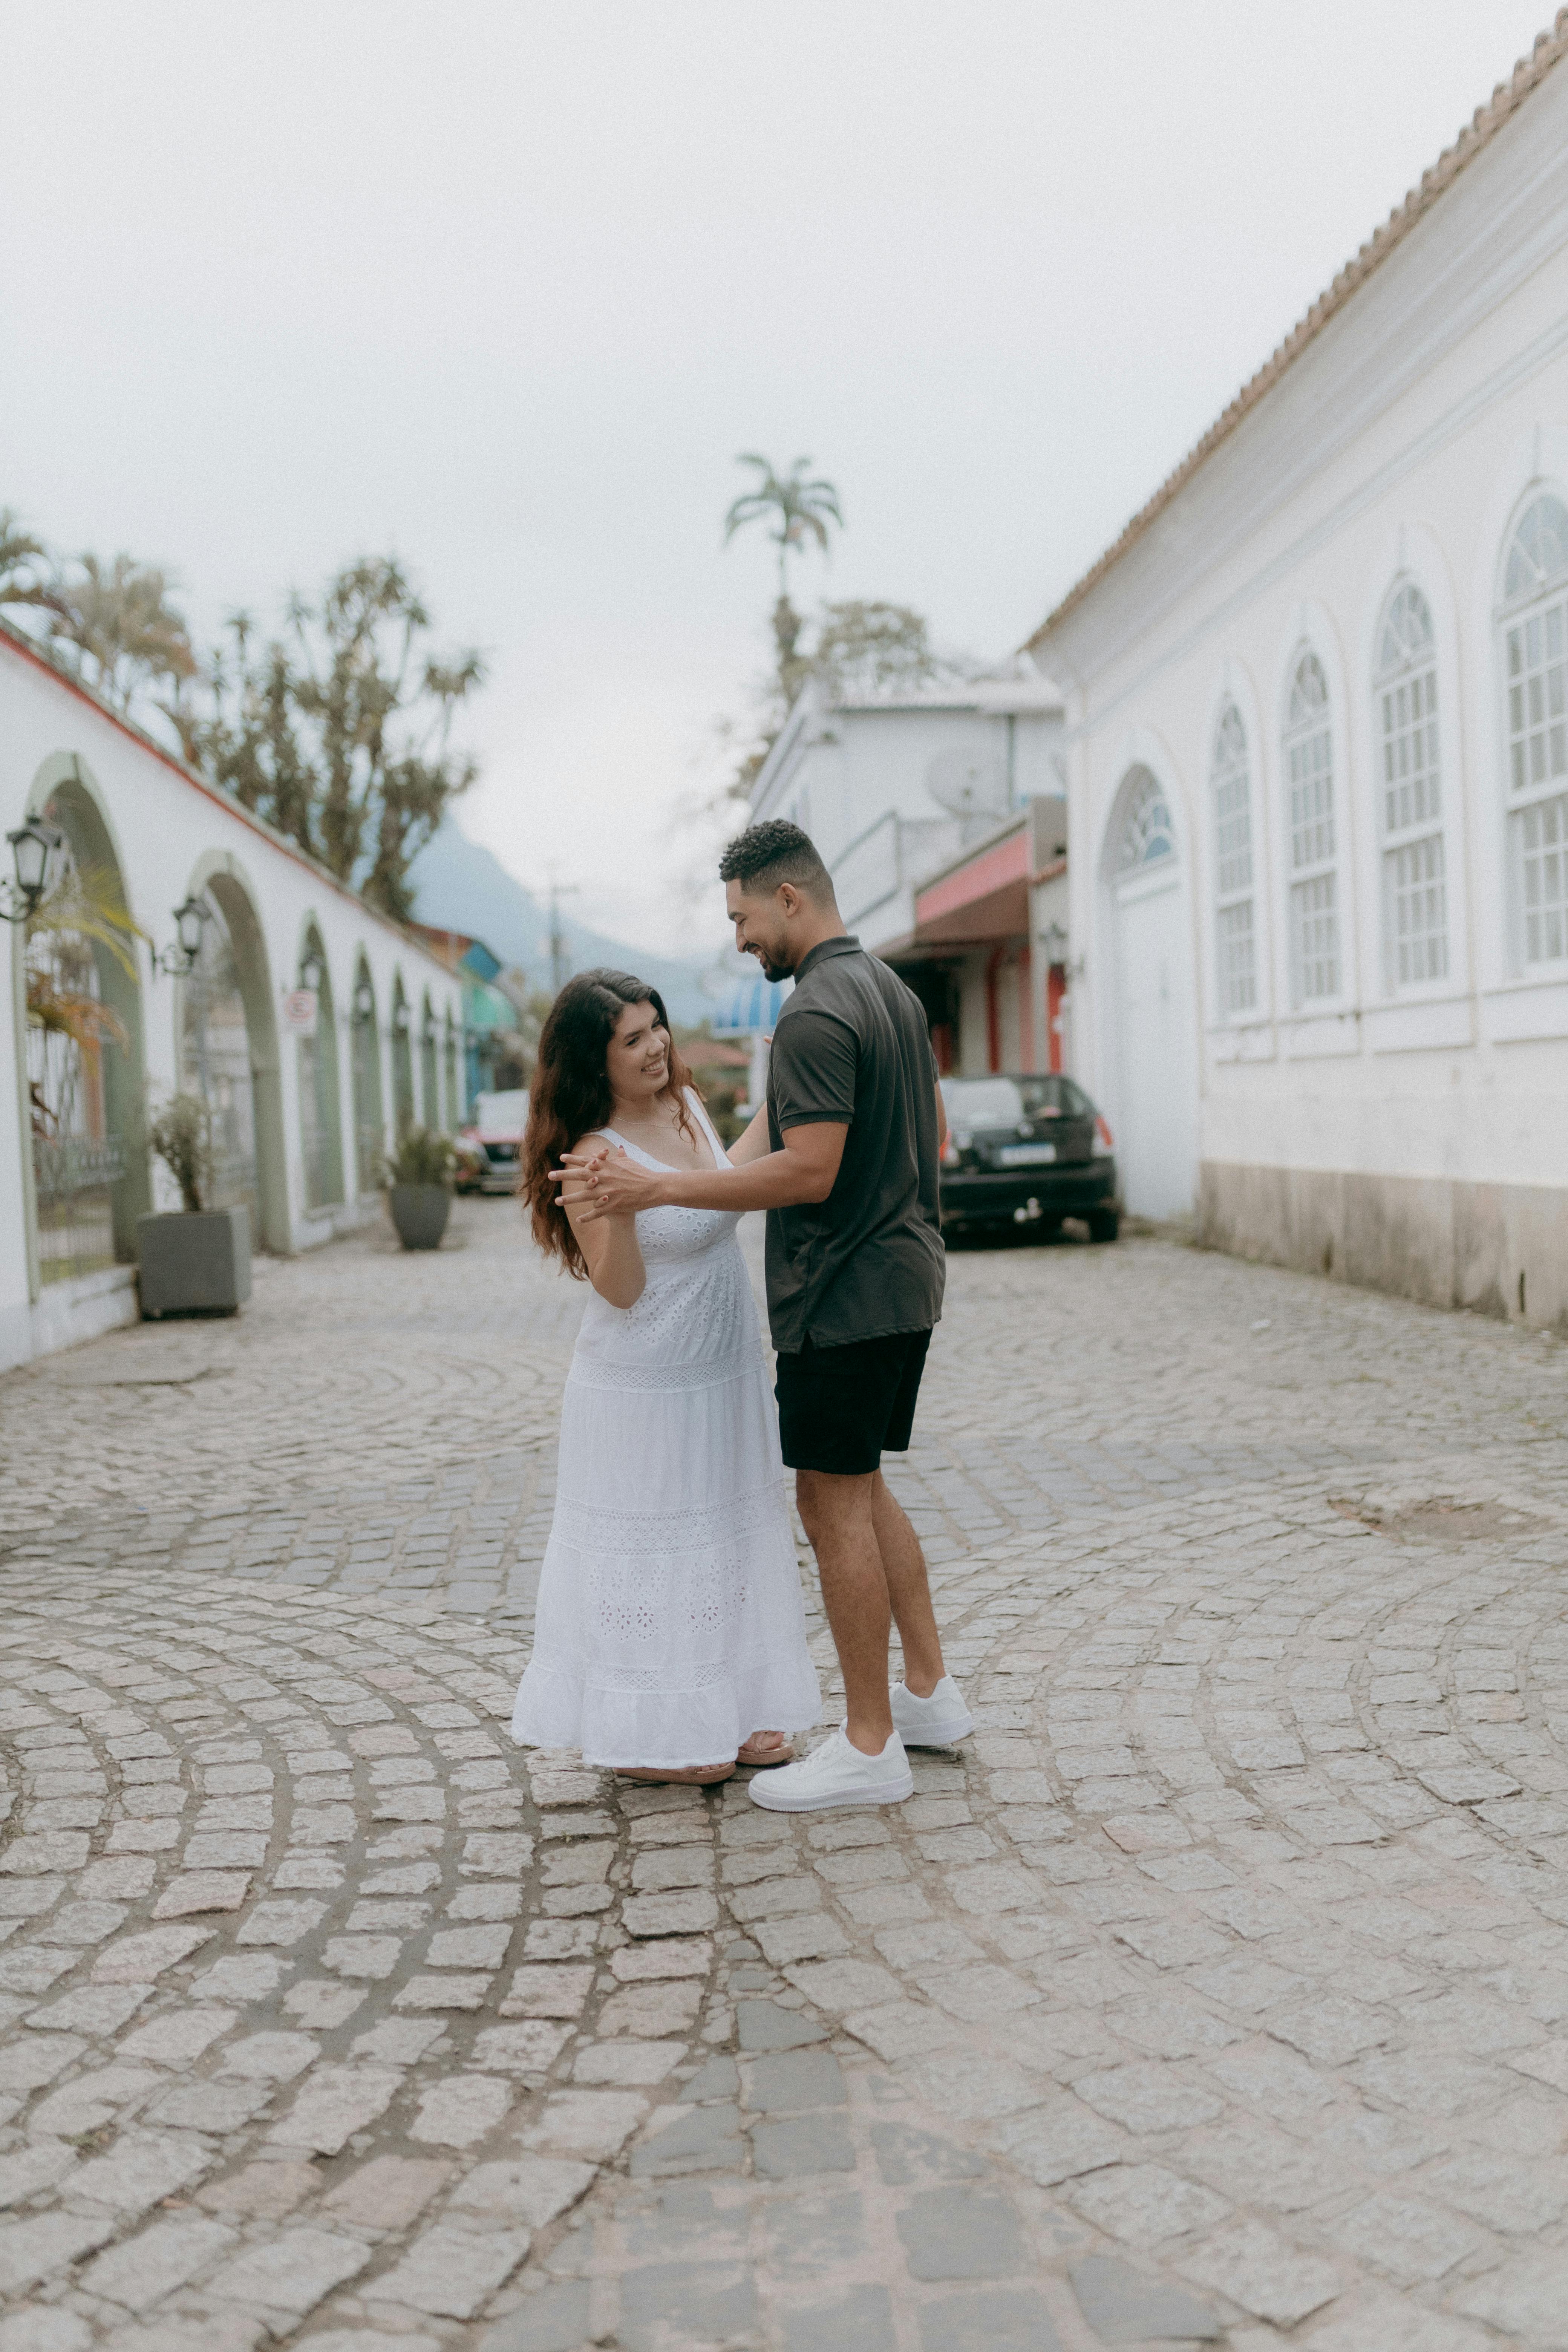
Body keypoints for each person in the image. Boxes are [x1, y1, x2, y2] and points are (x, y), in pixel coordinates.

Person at [556, 819, 972, 1812]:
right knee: (863, 1492)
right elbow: (935, 1135)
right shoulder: (894, 995)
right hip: (905, 1279)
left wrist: (654, 1195)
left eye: (743, 915)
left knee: (832, 1509)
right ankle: (929, 1699)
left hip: (844, 1297)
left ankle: (869, 1746)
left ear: (790, 898)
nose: (741, 938)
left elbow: (810, 1168)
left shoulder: (819, 1012)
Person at [511, 969, 821, 1785]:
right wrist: (611, 1205)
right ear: (595, 1060)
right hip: (641, 1389)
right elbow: (620, 1289)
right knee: (657, 1554)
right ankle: (651, 1735)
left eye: (657, 1029)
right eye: (632, 1040)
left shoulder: (686, 1107)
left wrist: (788, 1082)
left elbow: (730, 1179)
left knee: (721, 1539)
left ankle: (734, 1706)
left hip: (721, 1373)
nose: (655, 1049)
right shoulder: (590, 1153)